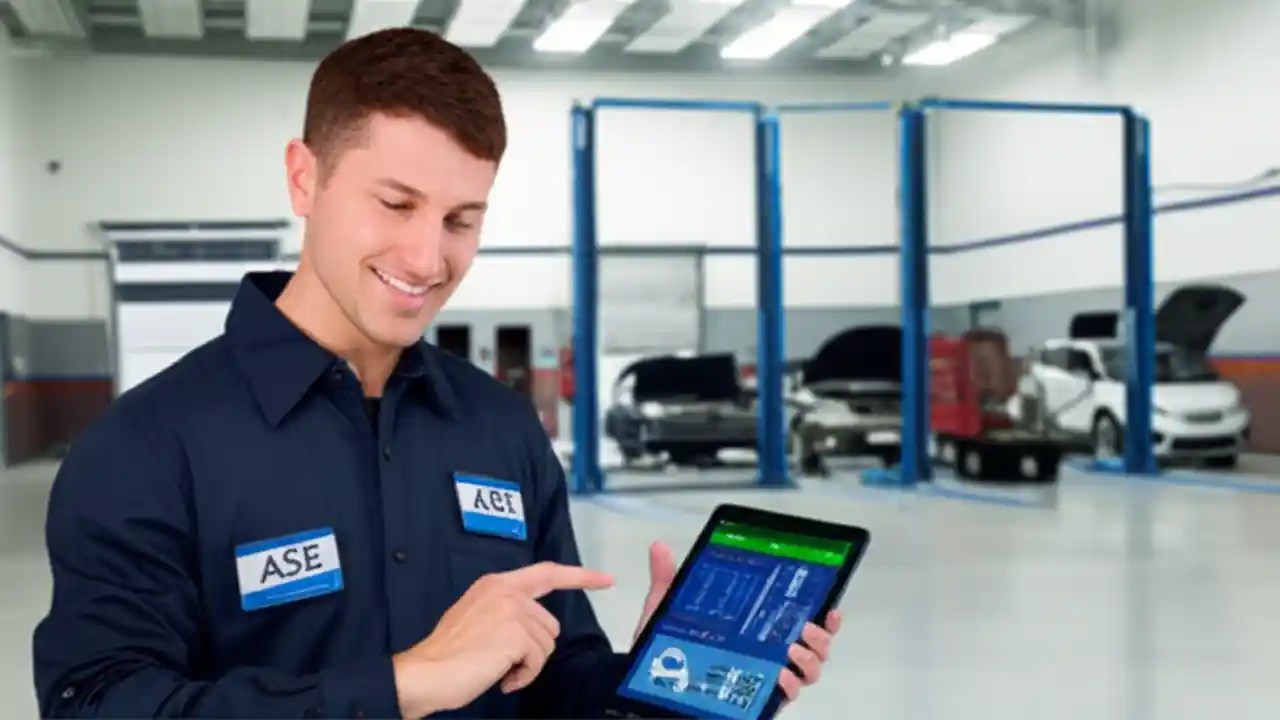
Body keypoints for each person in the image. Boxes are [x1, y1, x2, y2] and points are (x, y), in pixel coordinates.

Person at [31, 27, 842, 718]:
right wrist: (402, 685)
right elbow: (103, 702)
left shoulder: (498, 427)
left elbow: (552, 678)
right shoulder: (145, 449)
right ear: (304, 177)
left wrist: (663, 679)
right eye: (395, 204)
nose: (428, 258)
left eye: (461, 220)